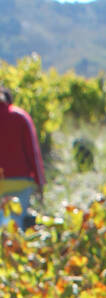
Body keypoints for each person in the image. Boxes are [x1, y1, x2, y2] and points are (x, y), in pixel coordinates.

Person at [0, 87, 45, 230]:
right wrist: (40, 182)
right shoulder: (20, 117)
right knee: (14, 226)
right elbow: (33, 154)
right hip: (20, 182)